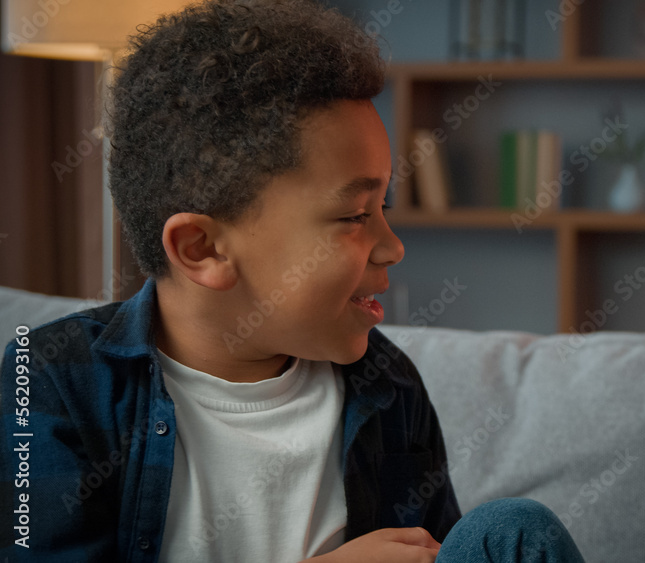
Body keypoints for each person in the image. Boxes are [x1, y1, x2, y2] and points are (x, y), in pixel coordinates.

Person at [0, 1, 583, 561]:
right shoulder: (50, 378)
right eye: (354, 216)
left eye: (382, 207)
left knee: (516, 532)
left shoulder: (388, 385)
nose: (394, 246)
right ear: (203, 249)